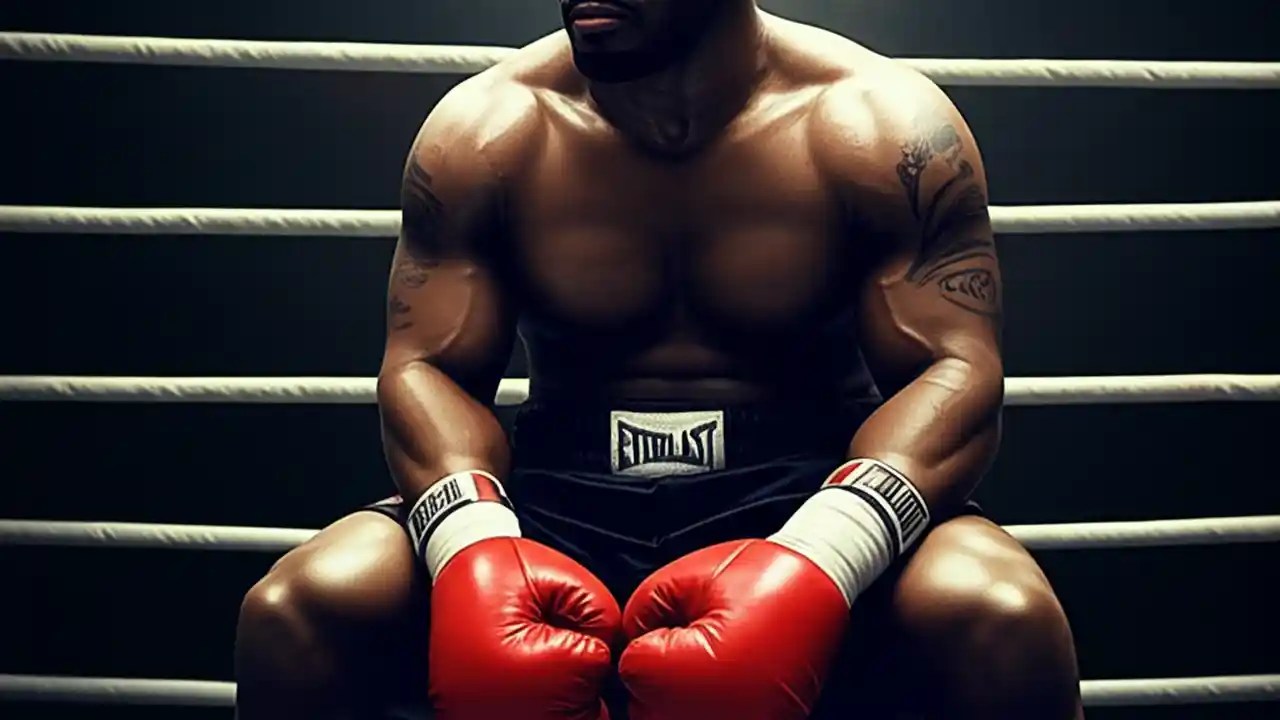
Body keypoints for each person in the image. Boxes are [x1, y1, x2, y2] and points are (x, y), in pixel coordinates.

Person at [235, 1, 1083, 718]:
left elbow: (955, 369)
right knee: (301, 607)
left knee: (999, 611)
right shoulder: (489, 131)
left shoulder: (878, 127)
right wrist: (475, 546)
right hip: (551, 501)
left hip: (808, 488)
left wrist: (822, 556)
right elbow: (428, 367)